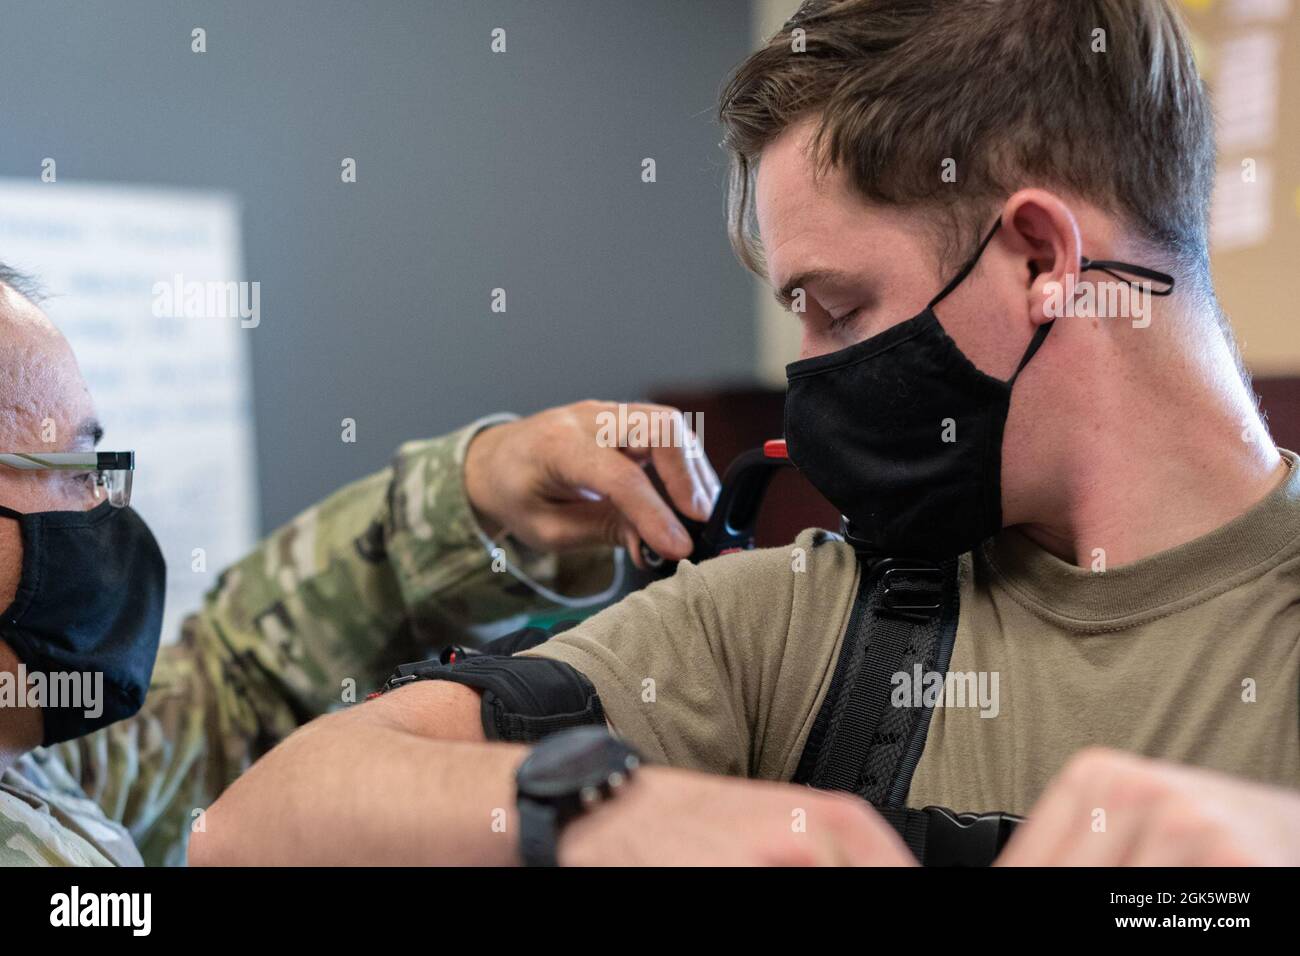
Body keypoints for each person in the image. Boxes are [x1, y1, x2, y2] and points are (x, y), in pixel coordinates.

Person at [192, 0, 1299, 866]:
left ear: (1041, 262)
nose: (809, 370)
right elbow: (258, 825)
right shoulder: (797, 623)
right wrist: (595, 820)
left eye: (839, 307)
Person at [0, 271, 719, 865]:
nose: (101, 505)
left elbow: (236, 704)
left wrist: (473, 494)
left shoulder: (28, 757)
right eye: (74, 469)